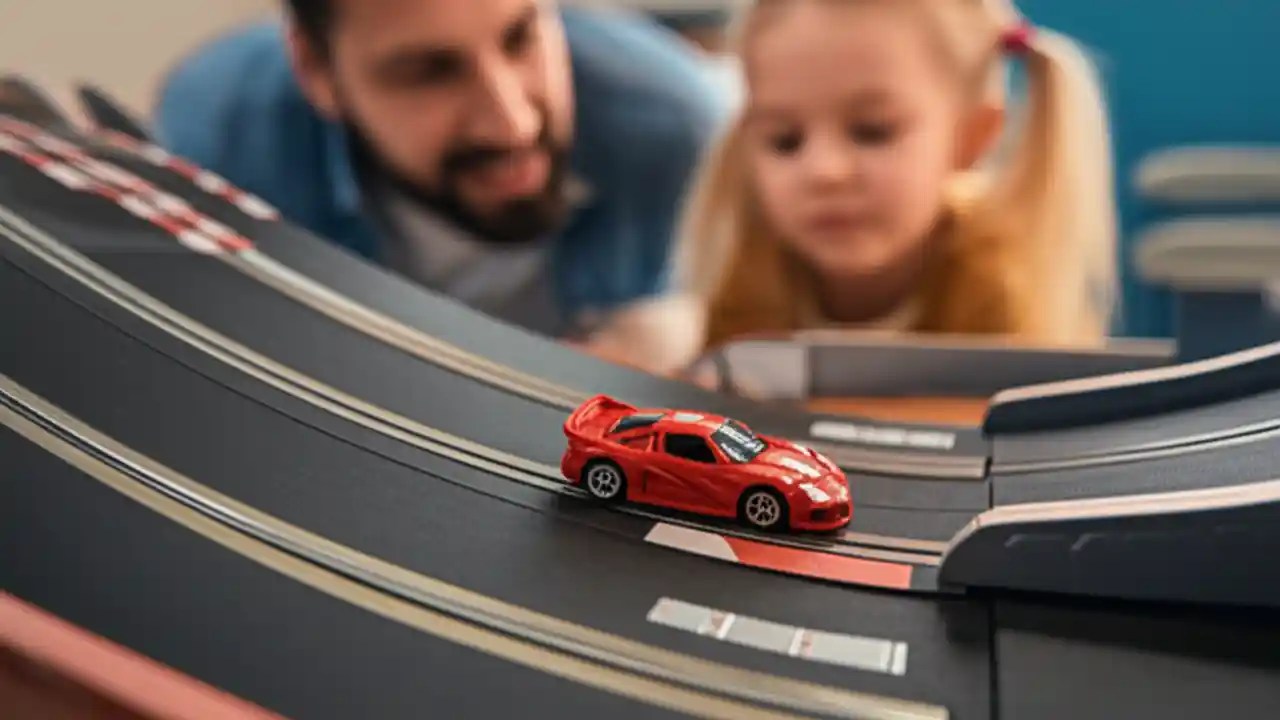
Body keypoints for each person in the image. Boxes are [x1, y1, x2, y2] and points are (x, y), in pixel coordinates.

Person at [153, 0, 726, 374]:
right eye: (429, 72)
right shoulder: (218, 150)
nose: (513, 123)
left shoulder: (676, 129)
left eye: (521, 37)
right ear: (316, 72)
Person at [672, 0, 1119, 359]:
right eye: (785, 141)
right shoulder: (740, 282)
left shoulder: (1007, 302)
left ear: (972, 137)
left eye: (872, 132)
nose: (825, 171)